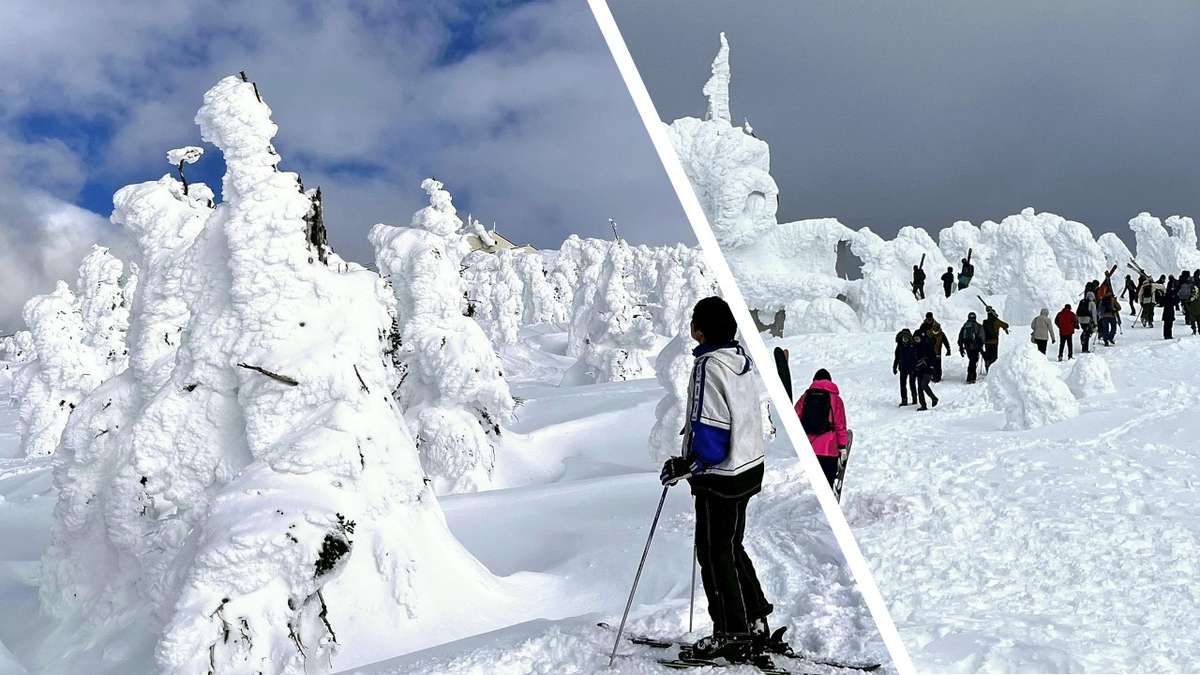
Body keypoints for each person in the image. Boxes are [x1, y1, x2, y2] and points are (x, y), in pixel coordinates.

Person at [659, 296, 771, 662]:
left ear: (701, 329)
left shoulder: (709, 365)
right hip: (747, 468)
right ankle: (754, 619)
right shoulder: (739, 360)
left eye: (694, 321)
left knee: (713, 552)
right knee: (731, 546)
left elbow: (709, 428)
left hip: (720, 476)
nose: (691, 326)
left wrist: (688, 465)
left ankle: (730, 632)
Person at [794, 369, 849, 490]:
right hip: (829, 449)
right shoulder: (835, 399)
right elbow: (840, 426)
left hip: (809, 448)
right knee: (827, 485)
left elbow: (794, 419)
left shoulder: (805, 397)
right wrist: (842, 446)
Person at [914, 312, 952, 382]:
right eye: (928, 318)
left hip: (936, 348)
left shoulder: (936, 326)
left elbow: (943, 337)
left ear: (932, 317)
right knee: (929, 363)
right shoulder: (923, 326)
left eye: (930, 318)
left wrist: (948, 348)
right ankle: (931, 375)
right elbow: (920, 337)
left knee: (937, 363)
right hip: (927, 349)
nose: (929, 320)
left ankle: (937, 377)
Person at [893, 328, 919, 405]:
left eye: (906, 337)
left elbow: (917, 356)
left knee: (912, 384)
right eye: (904, 337)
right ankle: (904, 400)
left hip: (912, 368)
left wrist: (917, 367)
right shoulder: (899, 346)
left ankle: (914, 399)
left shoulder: (913, 345)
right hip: (903, 368)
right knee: (902, 385)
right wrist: (894, 367)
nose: (905, 339)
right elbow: (897, 357)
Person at [913, 335, 939, 411]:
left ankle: (934, 398)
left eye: (918, 338)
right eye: (915, 339)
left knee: (924, 384)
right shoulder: (914, 347)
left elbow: (933, 358)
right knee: (920, 388)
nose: (916, 340)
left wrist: (931, 367)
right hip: (919, 370)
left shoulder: (927, 346)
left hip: (927, 370)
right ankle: (923, 405)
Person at [957, 312, 985, 383]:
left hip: (967, 346)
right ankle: (971, 377)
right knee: (973, 360)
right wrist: (980, 346)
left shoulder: (965, 326)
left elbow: (960, 337)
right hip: (975, 346)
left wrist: (961, 347)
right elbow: (982, 337)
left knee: (972, 360)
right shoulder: (979, 326)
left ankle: (970, 376)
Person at [981, 307, 1009, 372]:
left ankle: (987, 368)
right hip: (994, 342)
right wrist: (997, 319)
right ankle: (992, 371)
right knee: (994, 357)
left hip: (986, 342)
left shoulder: (985, 322)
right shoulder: (996, 321)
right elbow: (1006, 325)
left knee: (988, 356)